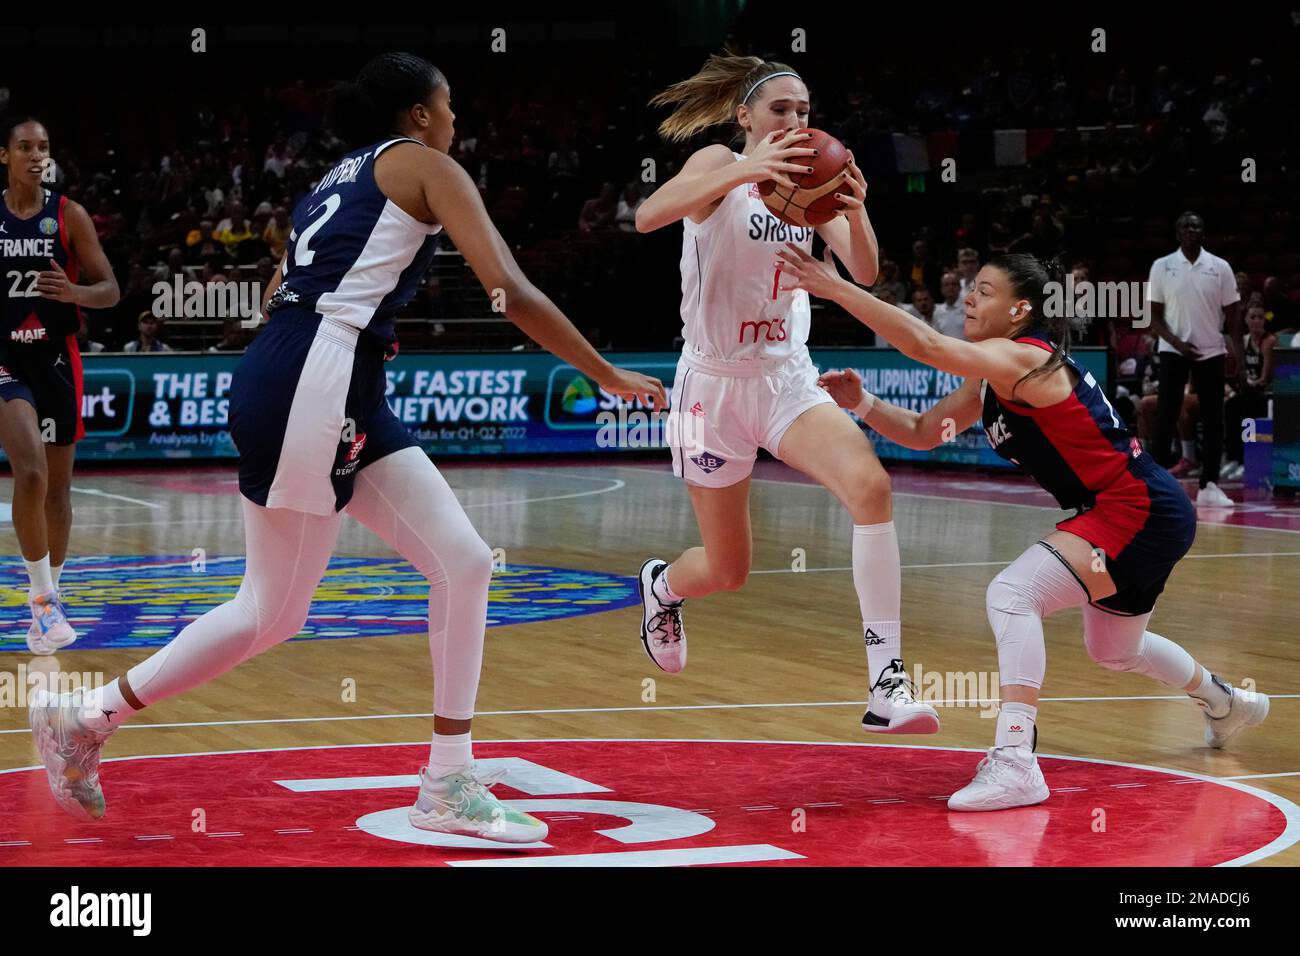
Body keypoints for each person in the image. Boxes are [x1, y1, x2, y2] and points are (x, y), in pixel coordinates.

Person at [28, 52, 665, 842]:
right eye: (451, 104)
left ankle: (446, 777)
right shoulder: (429, 165)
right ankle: (86, 718)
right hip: (316, 379)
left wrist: (362, 333)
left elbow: (284, 287)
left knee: (462, 562)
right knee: (272, 610)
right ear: (422, 115)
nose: (458, 119)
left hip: (320, 370)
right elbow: (507, 288)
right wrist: (601, 371)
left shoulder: (337, 178)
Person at [777, 245, 1269, 811]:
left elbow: (928, 345)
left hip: (1134, 506)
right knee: (1114, 649)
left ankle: (1016, 761)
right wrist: (861, 402)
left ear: (1020, 310)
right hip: (1131, 510)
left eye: (984, 292)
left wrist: (837, 288)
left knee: (1013, 593)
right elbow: (920, 431)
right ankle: (1225, 702)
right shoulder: (989, 377)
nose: (969, 297)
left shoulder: (1024, 359)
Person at [633, 52, 939, 734]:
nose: (797, 121)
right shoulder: (718, 164)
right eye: (781, 110)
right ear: (746, 116)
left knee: (871, 488)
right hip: (706, 386)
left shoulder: (810, 177)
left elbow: (862, 269)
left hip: (785, 376)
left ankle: (886, 682)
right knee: (727, 569)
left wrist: (855, 213)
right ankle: (662, 586)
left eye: (805, 111)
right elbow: (649, 215)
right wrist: (748, 168)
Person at [0, 114, 120, 654]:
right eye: (24, 146)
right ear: (4, 156)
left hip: (56, 357)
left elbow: (111, 290)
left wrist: (74, 292)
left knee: (58, 489)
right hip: (4, 359)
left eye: (42, 146)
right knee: (28, 474)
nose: (34, 154)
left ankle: (52, 596)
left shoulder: (68, 214)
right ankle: (42, 602)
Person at [1146, 211, 1243, 507]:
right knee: (1165, 416)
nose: (1191, 230)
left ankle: (1210, 485)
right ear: (1177, 233)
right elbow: (1153, 316)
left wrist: (1236, 351)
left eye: (1197, 226)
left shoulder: (1220, 267)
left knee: (1215, 418)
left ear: (1204, 234)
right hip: (1174, 350)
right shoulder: (1162, 266)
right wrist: (1176, 342)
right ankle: (1155, 484)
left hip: (1211, 350)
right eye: (1186, 226)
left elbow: (1233, 313)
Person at [1223, 302, 1277, 475]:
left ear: (1264, 321)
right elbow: (1237, 371)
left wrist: (1251, 383)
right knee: (1230, 406)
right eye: (1252, 317)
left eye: (1260, 317)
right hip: (1248, 391)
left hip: (1267, 393)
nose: (1256, 321)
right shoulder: (1244, 341)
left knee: (1247, 408)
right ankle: (1233, 458)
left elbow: (1265, 378)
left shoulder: (1269, 341)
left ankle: (1246, 460)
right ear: (1246, 320)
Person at [932, 271, 966, 338]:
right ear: (941, 289)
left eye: (953, 284)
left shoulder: (969, 307)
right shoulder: (937, 311)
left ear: (960, 287)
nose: (950, 287)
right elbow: (937, 336)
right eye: (946, 285)